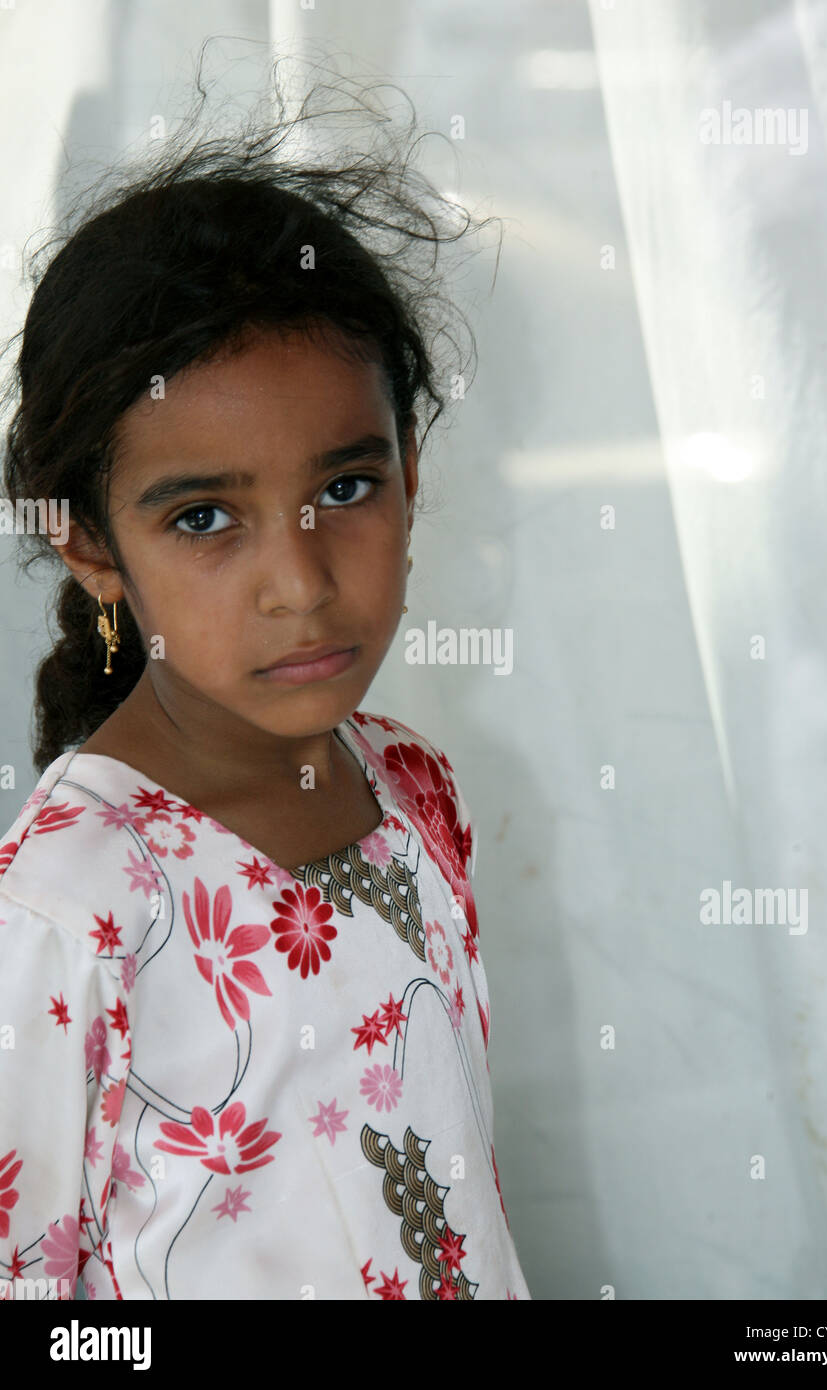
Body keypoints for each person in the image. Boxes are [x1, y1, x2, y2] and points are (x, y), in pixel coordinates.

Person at [0, 57, 529, 1301]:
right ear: (89, 542)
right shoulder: (65, 905)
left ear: (409, 463)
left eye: (344, 489)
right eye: (203, 518)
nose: (298, 581)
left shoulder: (410, 787)